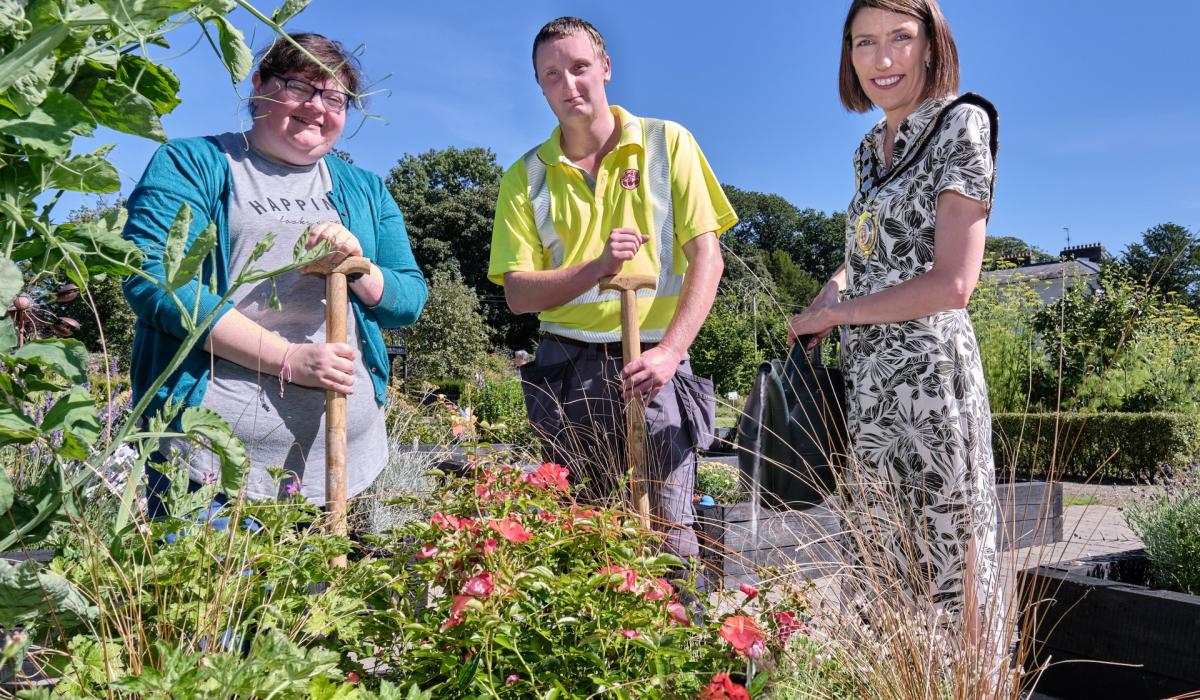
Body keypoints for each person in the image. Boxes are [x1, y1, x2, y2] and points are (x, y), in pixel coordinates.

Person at [123, 33, 427, 516]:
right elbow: (156, 280)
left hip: (344, 463)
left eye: (335, 98)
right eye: (300, 87)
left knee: (328, 592)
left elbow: (409, 298)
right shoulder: (194, 163)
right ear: (259, 84)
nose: (318, 107)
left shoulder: (365, 189)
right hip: (210, 467)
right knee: (207, 595)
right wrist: (289, 359)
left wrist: (358, 269)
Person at [787, 0, 1001, 645]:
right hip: (871, 384)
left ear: (932, 45)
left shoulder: (962, 123)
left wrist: (841, 312)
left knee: (948, 559)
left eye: (900, 39)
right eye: (863, 42)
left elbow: (954, 283)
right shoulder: (868, 149)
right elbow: (870, 255)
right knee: (883, 565)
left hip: (930, 386)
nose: (881, 59)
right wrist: (830, 296)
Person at [489, 17, 737, 562]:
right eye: (551, 74)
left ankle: (677, 638)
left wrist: (671, 352)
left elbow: (707, 258)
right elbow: (520, 294)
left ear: (605, 68)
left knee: (668, 530)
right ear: (539, 84)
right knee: (583, 531)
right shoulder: (525, 176)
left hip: (654, 363)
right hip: (566, 368)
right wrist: (598, 265)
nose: (569, 84)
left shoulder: (667, 142)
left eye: (579, 67)